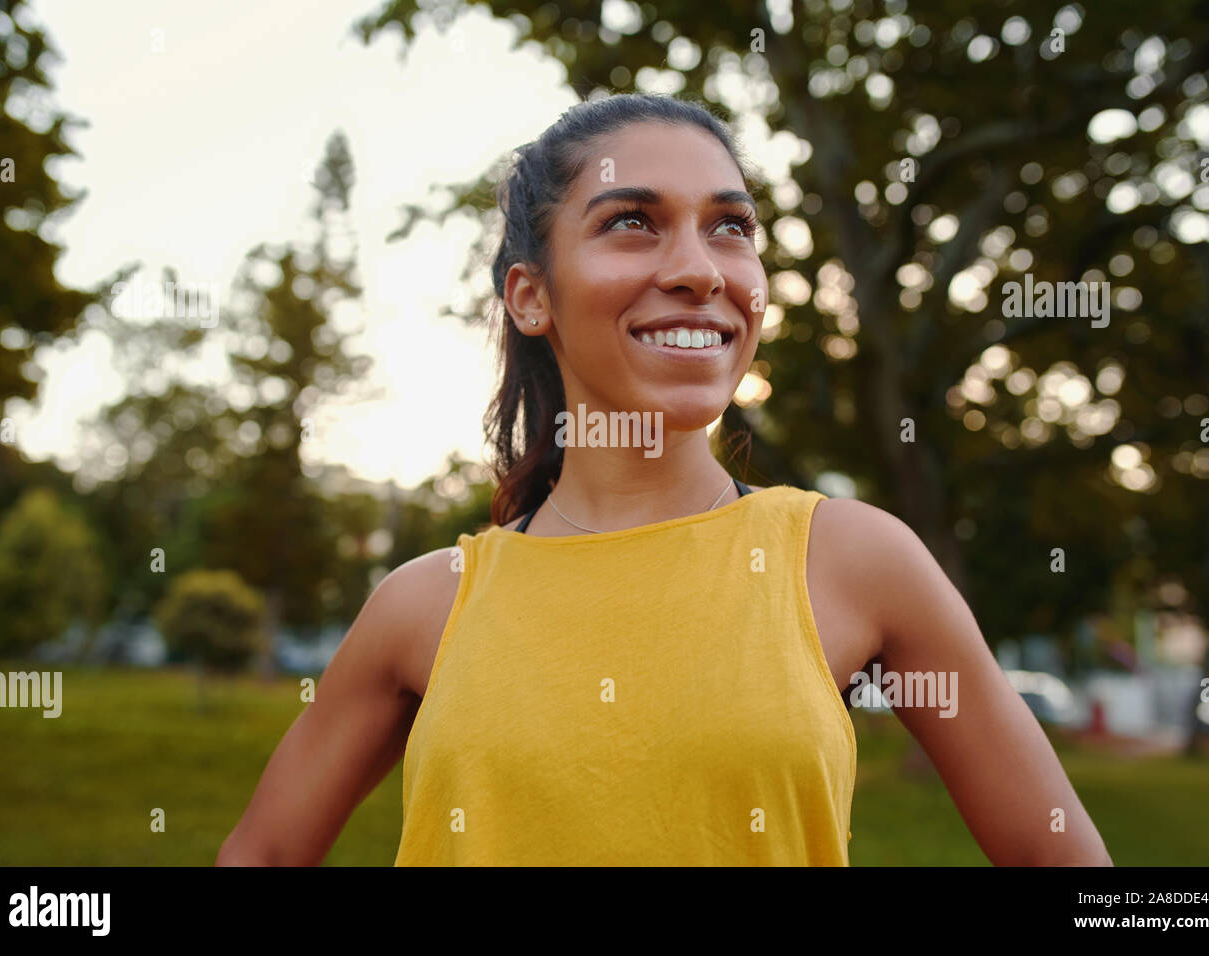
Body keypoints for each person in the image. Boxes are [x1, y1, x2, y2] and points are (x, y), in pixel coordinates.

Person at [216, 92, 1112, 867]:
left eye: (732, 227)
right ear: (532, 295)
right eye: (631, 221)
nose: (698, 270)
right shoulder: (425, 606)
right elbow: (262, 852)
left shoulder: (855, 560)